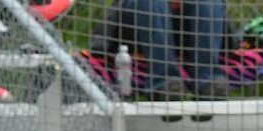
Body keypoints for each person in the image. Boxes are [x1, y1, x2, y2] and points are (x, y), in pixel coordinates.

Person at [91, 0, 230, 99]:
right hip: (140, 19)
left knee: (210, 2)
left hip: (185, 24)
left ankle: (209, 82)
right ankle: (164, 83)